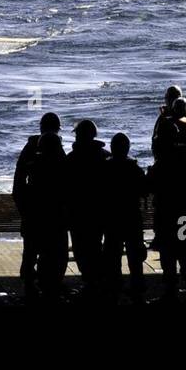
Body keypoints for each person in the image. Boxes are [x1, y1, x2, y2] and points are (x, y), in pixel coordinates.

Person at [151, 95, 186, 300]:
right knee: (184, 246)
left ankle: (170, 289)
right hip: (183, 206)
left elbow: (151, 183)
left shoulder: (162, 159)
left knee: (166, 248)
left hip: (165, 208)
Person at [12, 112, 61, 294]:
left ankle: (32, 282)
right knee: (48, 251)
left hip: (33, 208)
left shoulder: (31, 149)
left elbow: (18, 181)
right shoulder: (57, 149)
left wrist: (23, 206)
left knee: (31, 249)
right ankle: (45, 284)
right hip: (49, 210)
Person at [101, 132, 148, 302]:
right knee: (135, 256)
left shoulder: (105, 168)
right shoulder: (134, 168)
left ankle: (113, 286)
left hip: (112, 217)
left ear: (112, 148)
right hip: (132, 216)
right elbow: (145, 190)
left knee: (112, 255)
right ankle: (137, 286)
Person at [63, 119, 109, 292]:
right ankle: (97, 280)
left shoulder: (71, 158)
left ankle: (90, 280)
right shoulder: (105, 156)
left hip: (78, 212)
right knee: (96, 245)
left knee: (80, 247)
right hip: (99, 211)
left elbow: (65, 187)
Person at [26, 131, 70, 298]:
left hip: (39, 216)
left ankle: (43, 284)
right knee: (59, 253)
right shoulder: (63, 166)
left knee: (43, 251)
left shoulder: (34, 166)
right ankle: (54, 284)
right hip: (57, 216)